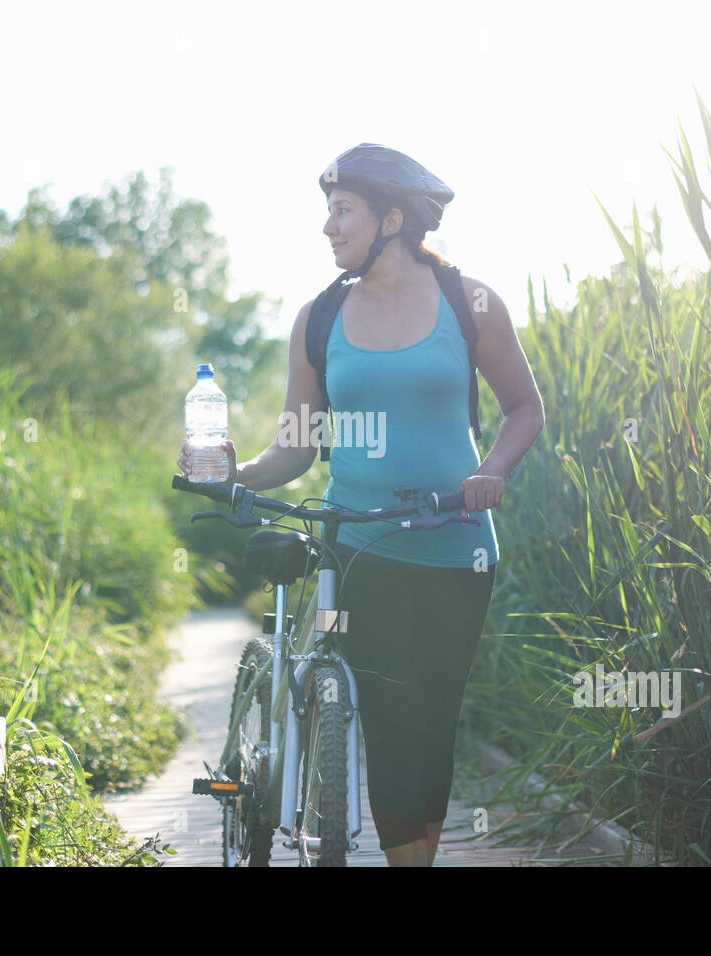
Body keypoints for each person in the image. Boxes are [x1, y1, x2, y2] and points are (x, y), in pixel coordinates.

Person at [178, 143, 544, 866]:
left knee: (433, 726)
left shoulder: (469, 303)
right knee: (389, 719)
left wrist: (494, 470)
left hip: (457, 546)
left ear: (393, 218)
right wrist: (233, 473)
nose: (328, 227)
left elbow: (525, 408)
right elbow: (297, 445)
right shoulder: (320, 317)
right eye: (328, 210)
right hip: (360, 548)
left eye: (342, 210)